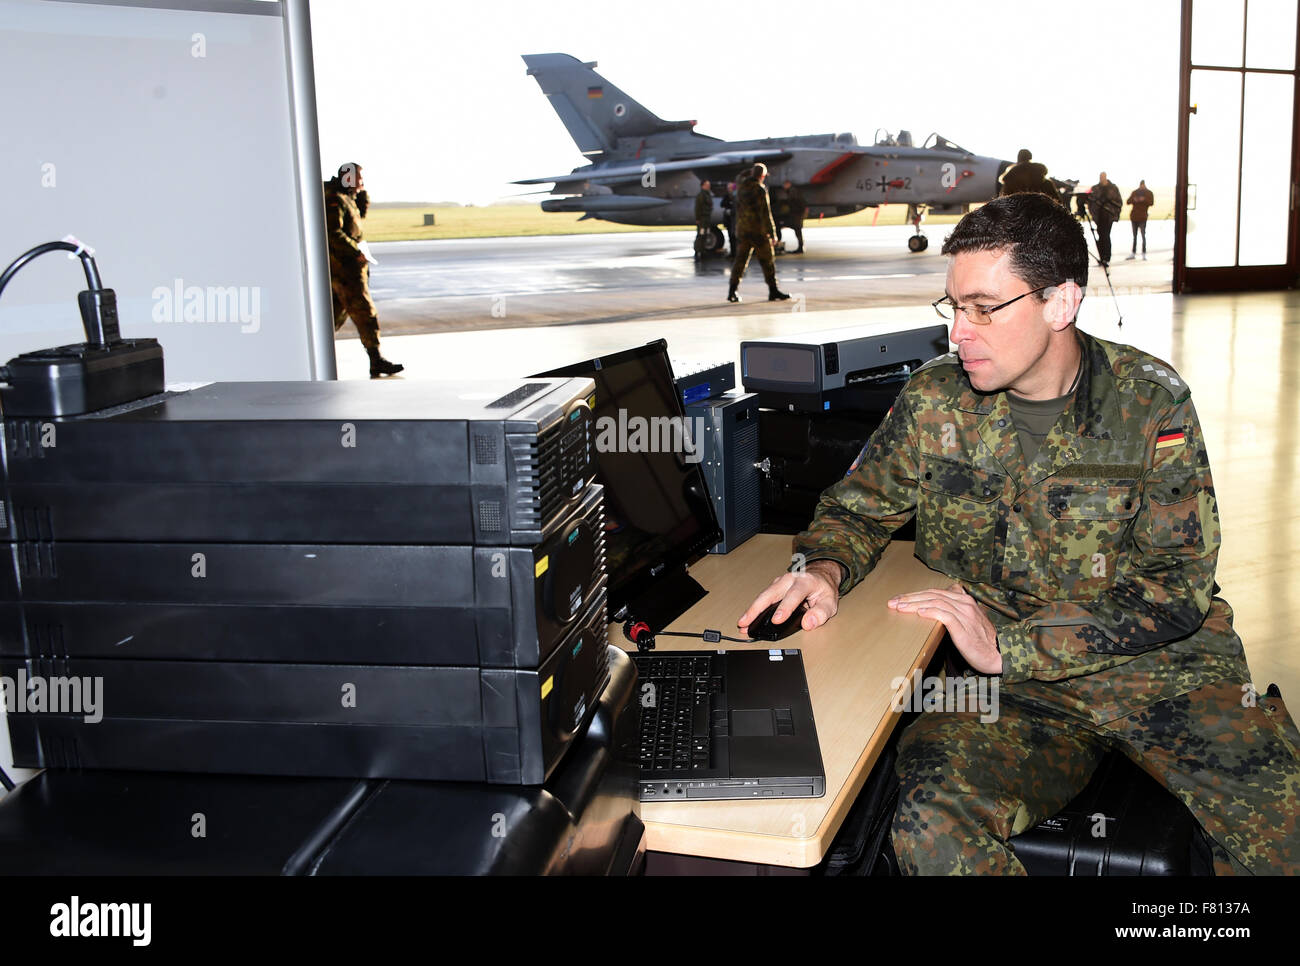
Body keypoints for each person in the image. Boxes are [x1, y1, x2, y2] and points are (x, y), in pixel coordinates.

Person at [736, 192, 1300, 875]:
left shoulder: (1151, 401)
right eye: (953, 307)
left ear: (1061, 303)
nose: (958, 334)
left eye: (984, 308)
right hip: (1012, 695)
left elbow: (1176, 589)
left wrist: (1012, 644)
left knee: (1286, 841)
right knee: (928, 824)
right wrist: (822, 570)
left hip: (1162, 675)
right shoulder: (934, 400)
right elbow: (856, 508)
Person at [323, 162, 403, 378]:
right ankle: (376, 360)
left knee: (332, 317)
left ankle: (309, 351)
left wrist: (361, 191)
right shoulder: (334, 199)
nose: (361, 181)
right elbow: (333, 232)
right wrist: (355, 251)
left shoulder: (346, 197)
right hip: (345, 269)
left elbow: (359, 219)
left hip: (347, 269)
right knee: (365, 313)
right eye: (358, 178)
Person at [727, 163, 789, 303]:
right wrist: (772, 233)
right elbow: (765, 213)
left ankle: (732, 291)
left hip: (743, 230)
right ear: (762, 176)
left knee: (740, 261)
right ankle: (773, 291)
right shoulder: (759, 189)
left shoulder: (741, 187)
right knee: (767, 261)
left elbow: (739, 177)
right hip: (757, 231)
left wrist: (749, 171)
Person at [1086, 171, 1122, 267]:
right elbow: (1090, 202)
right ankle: (1102, 256)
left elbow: (1119, 202)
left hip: (1109, 216)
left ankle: (1106, 257)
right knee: (1101, 236)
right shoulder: (1095, 188)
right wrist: (1093, 214)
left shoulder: (1113, 188)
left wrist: (1114, 212)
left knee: (1105, 236)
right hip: (1099, 217)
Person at [1126, 179, 1154, 260]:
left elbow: (1151, 202)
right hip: (1134, 217)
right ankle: (1133, 252)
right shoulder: (1135, 192)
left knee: (1143, 235)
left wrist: (1144, 200)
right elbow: (1128, 201)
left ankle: (1144, 252)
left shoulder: (1149, 193)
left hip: (1143, 217)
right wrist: (1134, 200)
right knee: (1134, 236)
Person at [780, 180, 807, 253]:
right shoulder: (792, 191)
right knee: (797, 230)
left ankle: (801, 247)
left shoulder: (792, 191)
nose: (784, 187)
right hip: (797, 213)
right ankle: (800, 247)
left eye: (785, 185)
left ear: (788, 184)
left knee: (797, 229)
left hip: (797, 213)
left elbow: (793, 201)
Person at [693, 179, 715, 259]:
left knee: (705, 235)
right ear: (703, 185)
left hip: (707, 219)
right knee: (701, 235)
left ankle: (702, 251)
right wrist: (698, 218)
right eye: (707, 185)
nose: (708, 186)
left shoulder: (707, 194)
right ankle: (697, 252)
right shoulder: (701, 195)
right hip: (702, 219)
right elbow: (698, 207)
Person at [720, 182, 738, 257]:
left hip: (735, 220)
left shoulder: (736, 196)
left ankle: (736, 253)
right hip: (729, 221)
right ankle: (733, 253)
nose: (729, 189)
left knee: (735, 238)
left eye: (731, 188)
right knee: (731, 238)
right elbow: (722, 204)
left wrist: (731, 209)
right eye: (728, 188)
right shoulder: (727, 196)